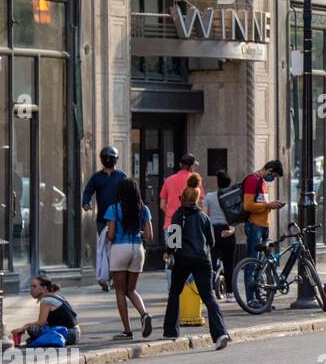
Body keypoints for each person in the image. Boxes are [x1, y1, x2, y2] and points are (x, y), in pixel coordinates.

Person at [161, 173, 230, 350]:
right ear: (198, 198)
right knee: (208, 296)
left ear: (182, 198)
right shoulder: (203, 218)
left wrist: (168, 253)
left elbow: (173, 240)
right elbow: (212, 242)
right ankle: (220, 333)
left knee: (175, 292)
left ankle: (171, 330)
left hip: (183, 259)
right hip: (202, 260)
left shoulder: (178, 215)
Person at [104, 177, 154, 340]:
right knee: (131, 289)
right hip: (137, 249)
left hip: (119, 249)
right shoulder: (143, 209)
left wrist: (107, 234)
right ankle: (144, 314)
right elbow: (149, 235)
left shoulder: (113, 208)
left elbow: (110, 235)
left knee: (119, 291)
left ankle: (127, 330)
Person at [82, 145, 127, 291]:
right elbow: (88, 191)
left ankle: (113, 277)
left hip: (119, 219)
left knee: (115, 248)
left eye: (111, 158)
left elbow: (130, 193)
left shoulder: (121, 176)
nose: (108, 160)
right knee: (104, 247)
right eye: (106, 157)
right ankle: (105, 276)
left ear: (116, 159)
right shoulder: (97, 177)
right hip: (103, 219)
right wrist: (86, 202)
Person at [11, 275, 81, 347]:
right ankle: (34, 341)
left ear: (44, 288)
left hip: (68, 334)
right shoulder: (54, 296)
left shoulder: (46, 300)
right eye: (31, 286)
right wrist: (25, 326)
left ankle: (35, 341)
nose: (31, 289)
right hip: (74, 333)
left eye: (34, 286)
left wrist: (22, 329)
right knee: (34, 330)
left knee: (33, 329)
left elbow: (41, 323)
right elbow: (46, 322)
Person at [242, 159, 285, 259]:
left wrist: (272, 205)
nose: (273, 179)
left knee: (261, 262)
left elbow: (262, 204)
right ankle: (249, 275)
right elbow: (247, 206)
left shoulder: (263, 183)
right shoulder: (252, 180)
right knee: (253, 259)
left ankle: (257, 275)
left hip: (264, 225)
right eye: (274, 176)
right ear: (269, 170)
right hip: (254, 226)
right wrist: (268, 205)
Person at [203, 170, 238, 292]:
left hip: (213, 231)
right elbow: (235, 217)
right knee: (229, 264)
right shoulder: (233, 197)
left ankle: (210, 289)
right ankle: (230, 293)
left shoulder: (209, 197)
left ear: (217, 183)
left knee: (211, 261)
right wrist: (231, 230)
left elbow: (204, 216)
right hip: (227, 230)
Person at [160, 153, 202, 228]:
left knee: (174, 240)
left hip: (171, 223)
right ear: (192, 166)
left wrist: (171, 215)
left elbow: (162, 205)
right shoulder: (195, 180)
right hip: (190, 223)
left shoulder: (169, 180)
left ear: (180, 165)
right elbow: (201, 202)